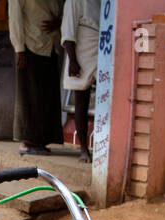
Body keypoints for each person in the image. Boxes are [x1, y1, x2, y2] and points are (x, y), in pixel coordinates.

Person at [10, 0, 64, 155]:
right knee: (30, 95)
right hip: (30, 45)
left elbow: (60, 8)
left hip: (51, 44)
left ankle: (40, 139)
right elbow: (15, 17)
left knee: (46, 96)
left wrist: (59, 23)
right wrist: (19, 48)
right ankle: (27, 141)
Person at [61, 0, 98, 162]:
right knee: (81, 104)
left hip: (100, 52)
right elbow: (68, 32)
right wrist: (73, 60)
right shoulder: (74, 1)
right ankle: (84, 149)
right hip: (81, 56)